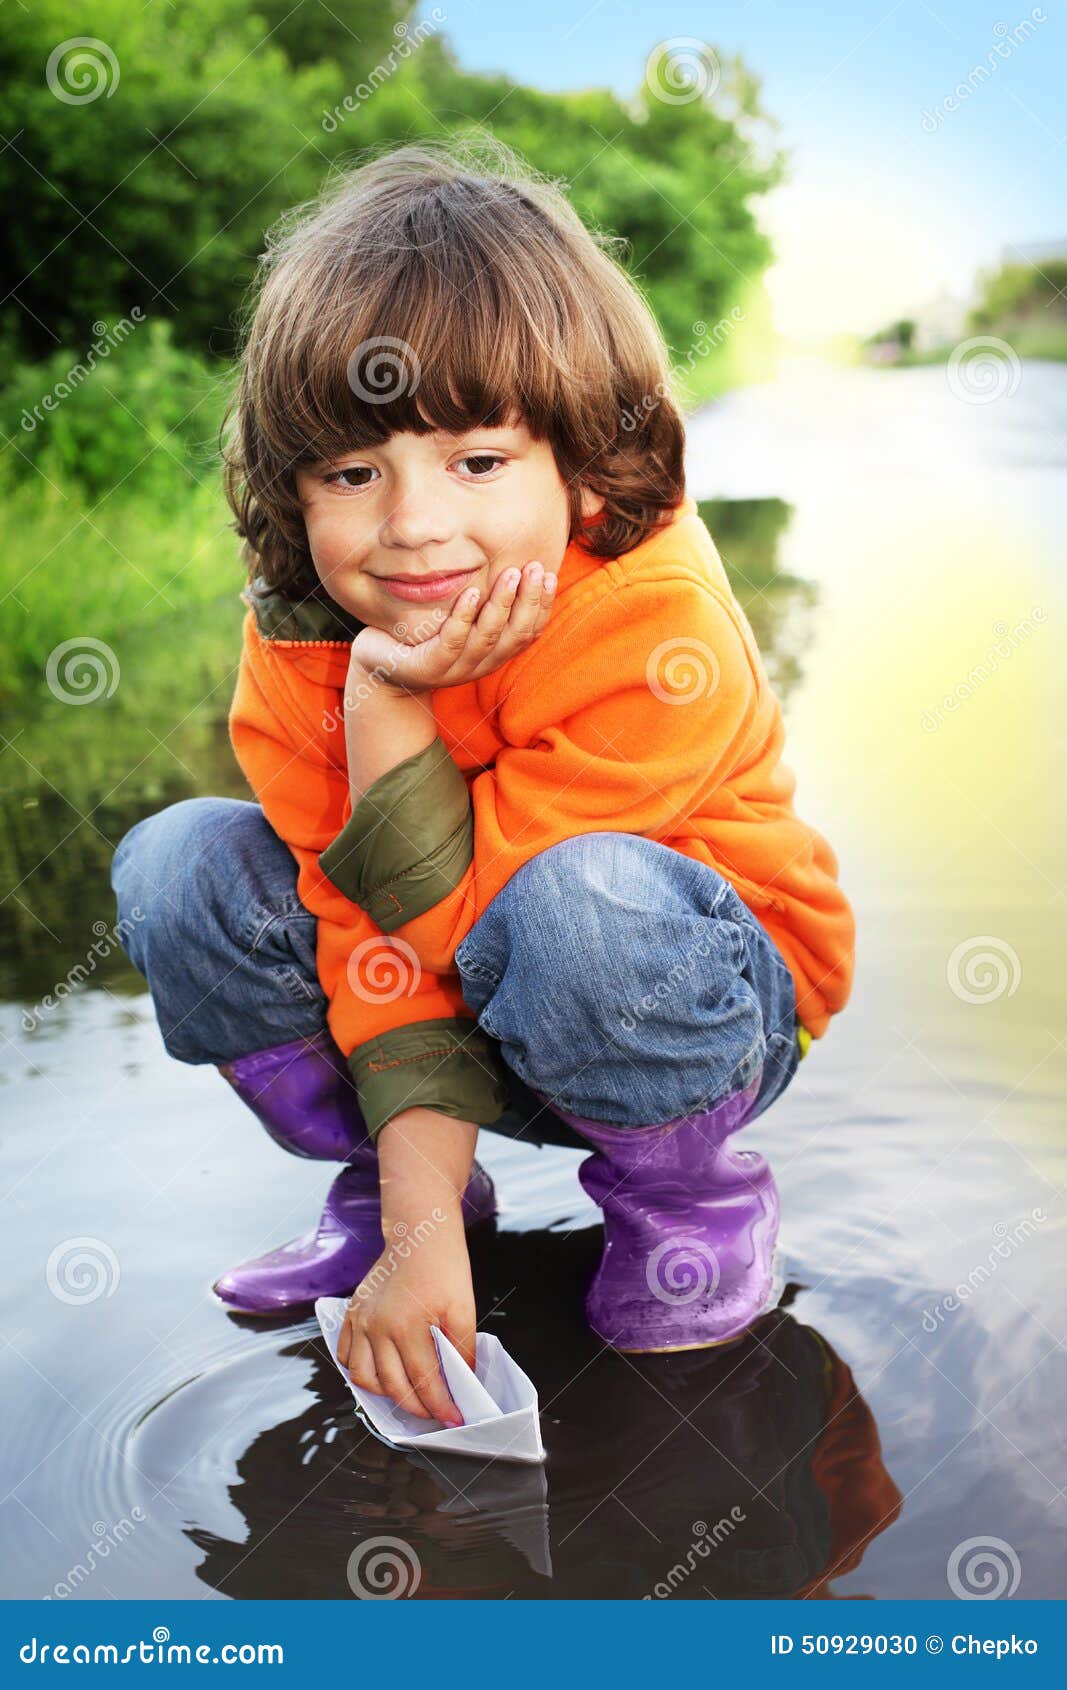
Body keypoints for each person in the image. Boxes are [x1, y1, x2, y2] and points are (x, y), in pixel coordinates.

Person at [110, 136, 855, 1429]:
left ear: (578, 456)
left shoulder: (646, 618)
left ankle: (690, 1198)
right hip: (457, 998)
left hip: (679, 1003)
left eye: (476, 460)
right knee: (180, 869)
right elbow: (375, 936)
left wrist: (396, 715)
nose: (411, 525)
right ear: (295, 486)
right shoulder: (301, 632)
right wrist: (414, 1231)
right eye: (353, 471)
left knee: (579, 901)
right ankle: (401, 1185)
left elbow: (481, 936)